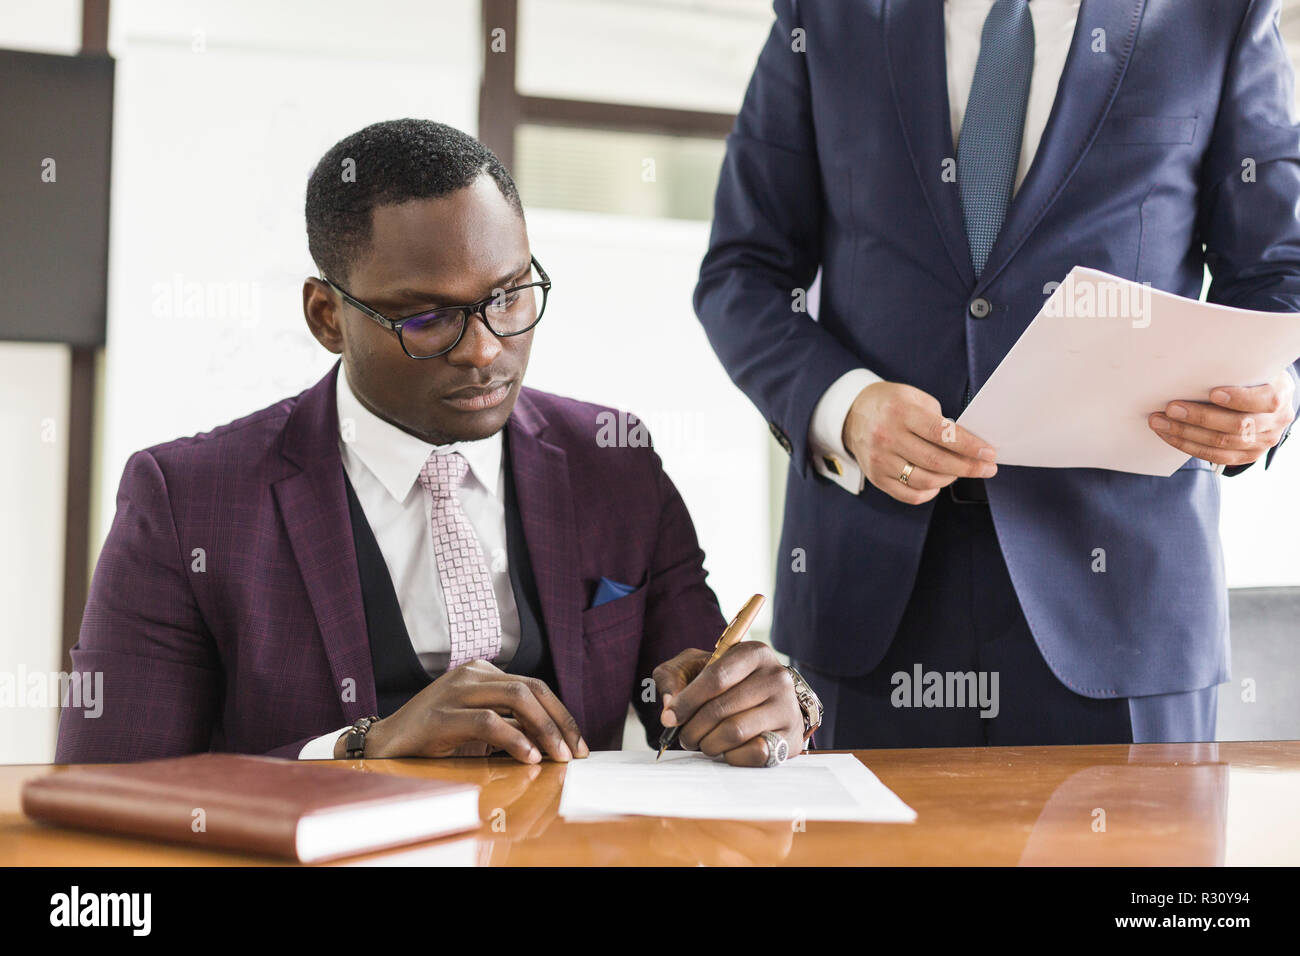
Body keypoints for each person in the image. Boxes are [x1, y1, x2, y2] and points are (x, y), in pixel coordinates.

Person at [57, 119, 820, 767]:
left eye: (508, 296)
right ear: (327, 316)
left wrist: (768, 707)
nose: (485, 350)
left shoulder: (612, 462)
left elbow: (693, 688)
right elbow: (108, 785)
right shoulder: (187, 500)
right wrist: (361, 751)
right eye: (427, 318)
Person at [693, 0, 1300, 747]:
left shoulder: (1218, 15)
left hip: (1125, 622)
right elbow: (741, 273)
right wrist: (845, 407)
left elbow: (1279, 272)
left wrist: (1275, 394)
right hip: (869, 609)